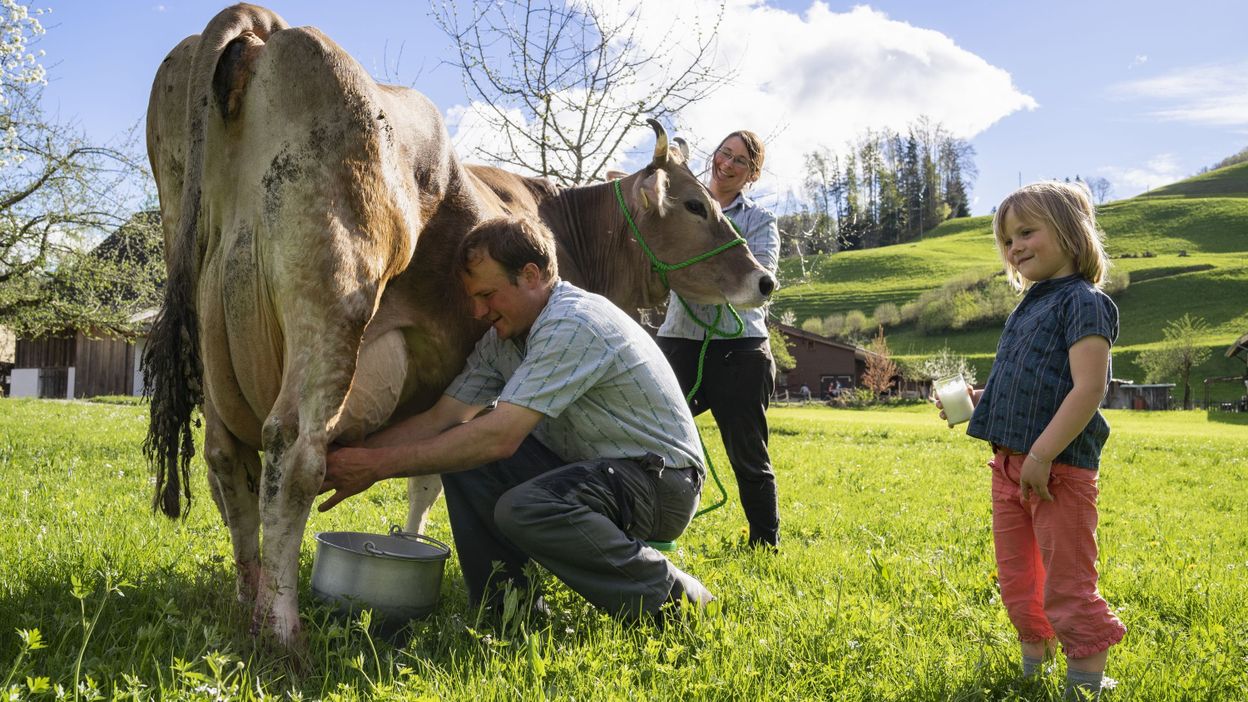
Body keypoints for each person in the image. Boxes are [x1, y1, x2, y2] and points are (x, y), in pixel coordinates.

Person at [319, 215, 712, 620]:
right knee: (464, 458)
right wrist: (339, 460)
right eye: (473, 297)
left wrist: (375, 467)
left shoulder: (572, 322)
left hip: (661, 483)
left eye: (487, 295)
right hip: (593, 469)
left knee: (524, 504)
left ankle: (679, 602)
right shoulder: (503, 340)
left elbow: (500, 438)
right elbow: (443, 418)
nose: (477, 310)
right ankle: (508, 608)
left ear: (530, 276)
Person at [939, 181, 1125, 699]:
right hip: (1009, 468)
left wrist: (1043, 454)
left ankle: (1086, 682)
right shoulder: (1029, 305)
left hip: (1058, 471)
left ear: (1069, 232)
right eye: (1005, 240)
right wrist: (976, 400)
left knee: (1066, 582)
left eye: (1026, 232)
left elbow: (1089, 388)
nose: (1014, 246)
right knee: (1019, 578)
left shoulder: (1086, 302)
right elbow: (1031, 380)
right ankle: (1032, 669)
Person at [656, 130, 781, 549]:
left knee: (748, 454)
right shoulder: (679, 207)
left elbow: (760, 284)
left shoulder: (760, 220)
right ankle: (646, 528)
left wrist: (695, 276)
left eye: (740, 161)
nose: (726, 164)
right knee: (650, 436)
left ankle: (765, 542)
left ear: (753, 174)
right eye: (724, 154)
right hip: (678, 339)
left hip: (740, 350)